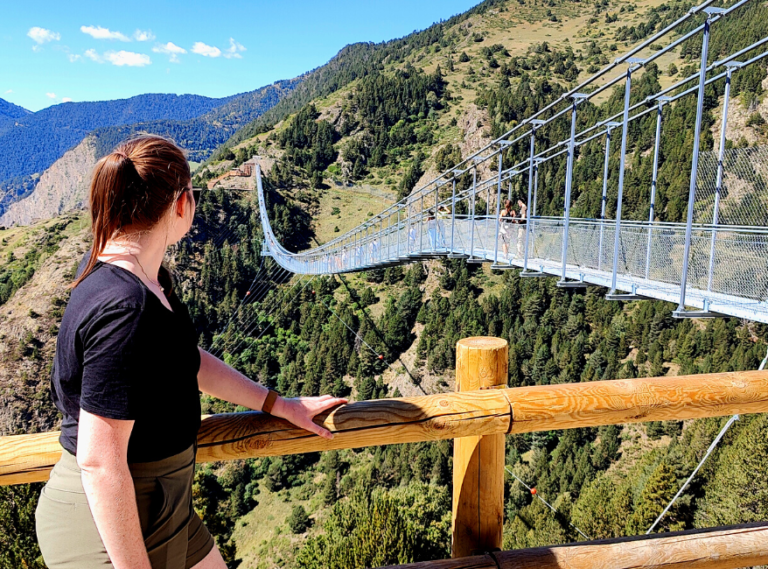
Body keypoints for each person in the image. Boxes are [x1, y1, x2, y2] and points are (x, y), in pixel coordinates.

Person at [35, 135, 347, 569]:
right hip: (108, 522)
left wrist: (277, 404)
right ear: (182, 204)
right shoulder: (126, 308)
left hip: (163, 504)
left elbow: (185, 359)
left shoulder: (144, 277)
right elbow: (99, 462)